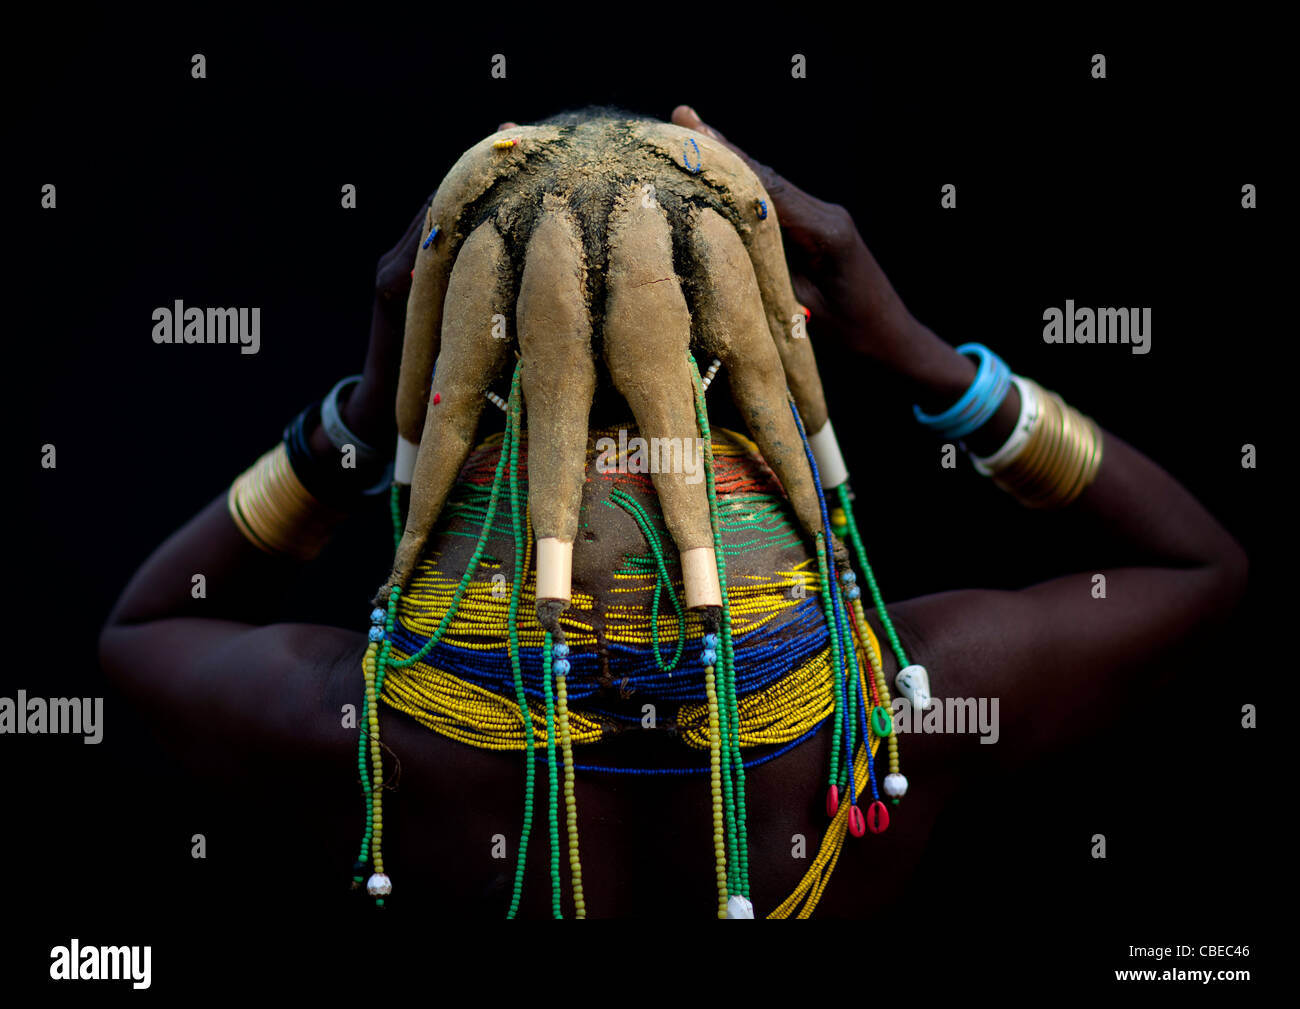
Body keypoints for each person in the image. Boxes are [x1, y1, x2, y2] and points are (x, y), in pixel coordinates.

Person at [98, 105, 1248, 919]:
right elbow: (1196, 565)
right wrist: (917, 355)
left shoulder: (361, 735)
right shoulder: (896, 711)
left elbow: (145, 632)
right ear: (756, 377)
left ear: (465, 391)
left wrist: (363, 412)